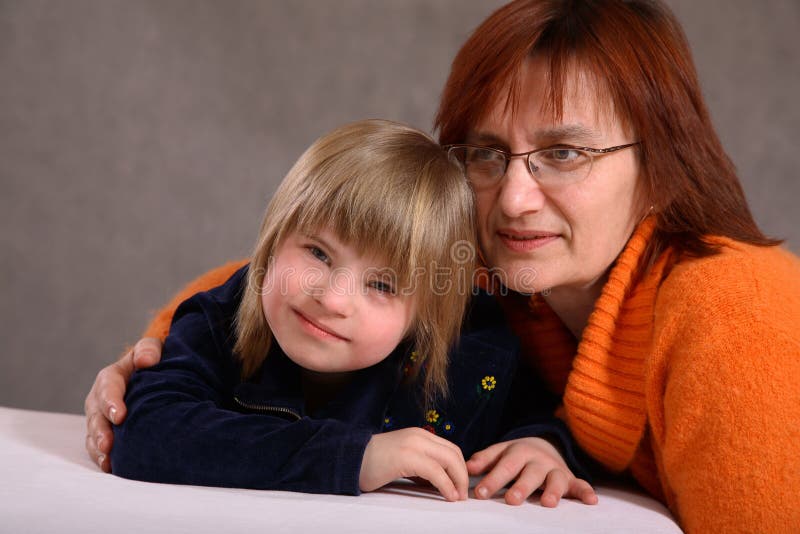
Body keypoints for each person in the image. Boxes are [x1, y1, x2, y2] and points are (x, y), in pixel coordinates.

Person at [86, 0, 800, 530]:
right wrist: (147, 358)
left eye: (564, 152)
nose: (514, 198)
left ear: (660, 167)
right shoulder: (493, 276)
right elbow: (282, 275)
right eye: (487, 152)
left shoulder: (734, 312)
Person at [108, 118, 596, 504]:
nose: (333, 299)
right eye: (317, 253)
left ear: (426, 314)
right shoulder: (220, 320)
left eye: (382, 284)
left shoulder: (470, 356)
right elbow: (145, 432)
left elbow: (542, 413)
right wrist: (354, 458)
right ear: (275, 241)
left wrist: (544, 443)